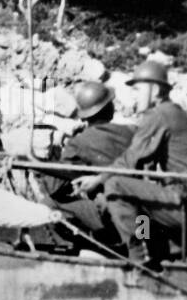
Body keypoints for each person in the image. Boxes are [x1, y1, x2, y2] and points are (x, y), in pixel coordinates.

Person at [73, 60, 187, 266]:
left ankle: (140, 258)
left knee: (116, 185)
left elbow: (130, 159)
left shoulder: (160, 115)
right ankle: (148, 247)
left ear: (154, 90)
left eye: (138, 90)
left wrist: (97, 180)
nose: (134, 96)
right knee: (135, 196)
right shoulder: (172, 112)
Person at [41, 80, 135, 243]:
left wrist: (67, 152)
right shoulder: (132, 131)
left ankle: (96, 245)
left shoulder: (80, 142)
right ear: (110, 109)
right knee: (141, 224)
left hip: (112, 214)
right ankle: (145, 243)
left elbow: (54, 188)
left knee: (49, 203)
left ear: (85, 115)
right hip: (142, 214)